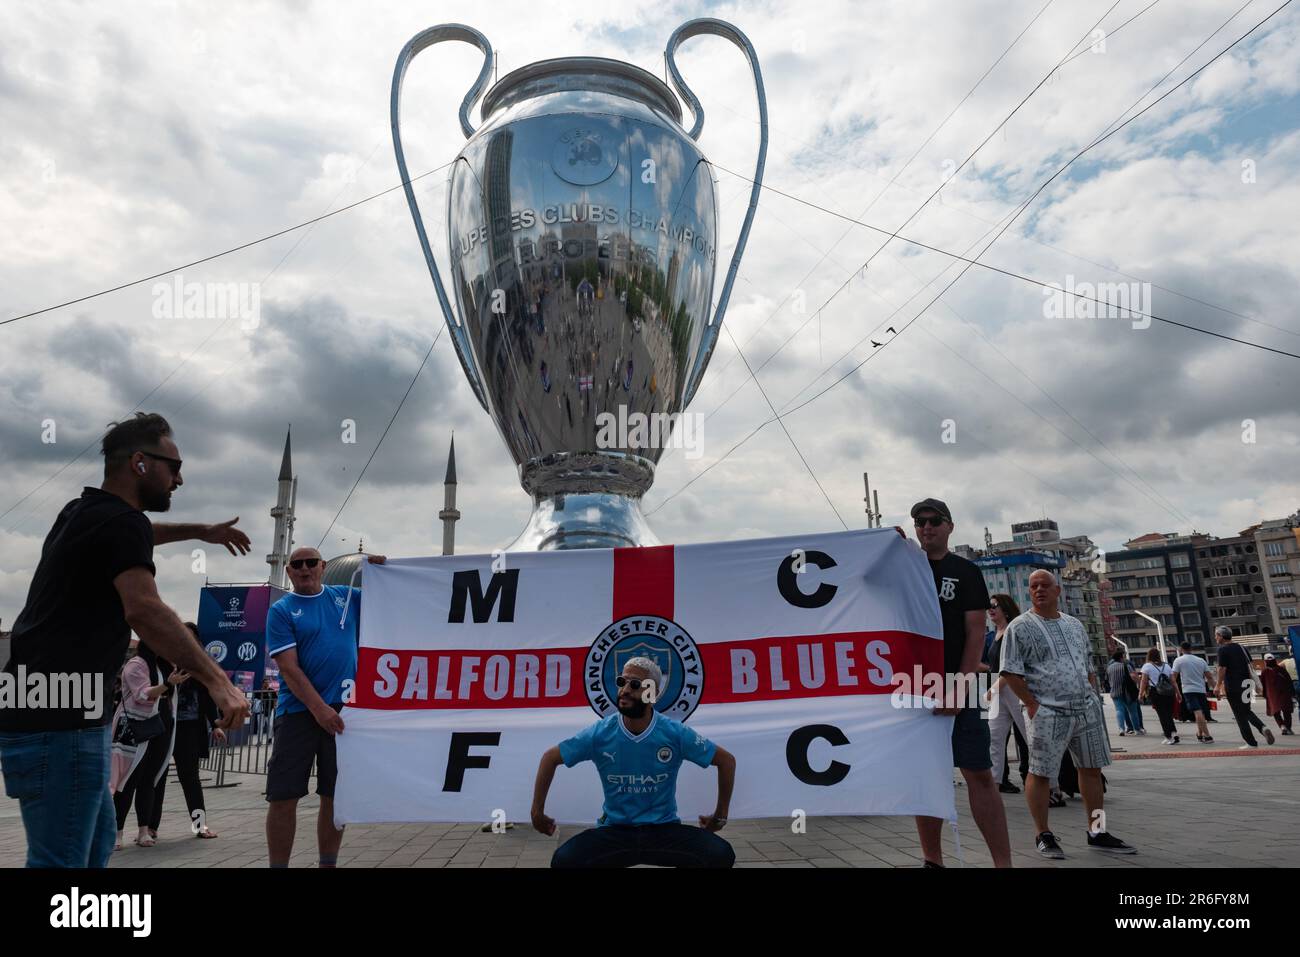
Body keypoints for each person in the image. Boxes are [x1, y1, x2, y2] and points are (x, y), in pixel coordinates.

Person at [0, 413, 250, 868]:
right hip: (60, 721)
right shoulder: (116, 524)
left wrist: (200, 531)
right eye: (173, 466)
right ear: (139, 463)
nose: (179, 478)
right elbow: (144, 609)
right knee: (63, 863)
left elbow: (137, 533)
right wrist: (218, 680)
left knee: (92, 851)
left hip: (54, 710)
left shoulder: (83, 513)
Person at [531, 657, 736, 868]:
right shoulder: (600, 733)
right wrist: (536, 812)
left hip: (663, 831)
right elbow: (550, 758)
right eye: (622, 682)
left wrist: (720, 816)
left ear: (652, 693)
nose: (625, 690)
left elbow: (726, 761)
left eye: (635, 684)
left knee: (720, 854)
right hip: (615, 832)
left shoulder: (674, 733)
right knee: (564, 861)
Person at [1000, 570, 1135, 858]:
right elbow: (1010, 671)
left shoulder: (1075, 625)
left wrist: (1091, 696)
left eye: (1045, 585)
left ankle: (1097, 830)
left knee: (1091, 769)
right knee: (1040, 771)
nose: (1039, 590)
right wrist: (1032, 705)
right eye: (1033, 586)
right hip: (1047, 710)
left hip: (1085, 708)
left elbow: (1087, 665)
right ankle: (1043, 834)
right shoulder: (1019, 627)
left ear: (1057, 590)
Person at [264, 546, 385, 868]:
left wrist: (381, 567)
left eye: (311, 563)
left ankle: (327, 864)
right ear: (288, 571)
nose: (304, 569)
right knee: (283, 796)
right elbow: (289, 668)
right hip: (298, 712)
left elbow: (390, 595)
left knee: (334, 796)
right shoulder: (282, 610)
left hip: (344, 711)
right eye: (297, 564)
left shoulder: (346, 597)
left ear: (323, 567)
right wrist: (319, 709)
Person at [909, 498, 1012, 868]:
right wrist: (885, 542)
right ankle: (932, 860)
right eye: (919, 522)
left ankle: (1003, 862)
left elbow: (975, 633)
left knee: (978, 772)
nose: (926, 527)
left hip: (961, 680)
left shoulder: (965, 571)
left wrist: (960, 686)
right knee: (927, 775)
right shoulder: (905, 567)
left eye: (934, 521)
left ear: (950, 526)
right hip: (916, 683)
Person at [985, 594, 1059, 799]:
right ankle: (994, 782)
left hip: (1015, 687)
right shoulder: (995, 634)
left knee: (1031, 738)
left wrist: (993, 688)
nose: (990, 610)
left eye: (993, 606)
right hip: (1000, 690)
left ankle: (1052, 787)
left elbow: (1011, 666)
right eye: (988, 607)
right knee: (993, 737)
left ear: (1005, 608)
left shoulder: (1013, 630)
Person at [110, 642, 179, 848]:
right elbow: (142, 694)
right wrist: (167, 684)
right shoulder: (136, 664)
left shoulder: (164, 665)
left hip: (160, 726)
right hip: (134, 727)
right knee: (127, 780)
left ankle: (144, 830)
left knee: (149, 779)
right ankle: (116, 832)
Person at [161, 622, 225, 839]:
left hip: (189, 727)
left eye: (188, 636)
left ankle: (199, 825)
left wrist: (215, 724)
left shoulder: (201, 663)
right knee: (155, 777)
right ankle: (148, 828)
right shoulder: (163, 658)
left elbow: (207, 696)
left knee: (190, 778)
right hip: (162, 725)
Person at [1214, 626, 1275, 749]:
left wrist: (1218, 685)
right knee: (1246, 710)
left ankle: (1251, 742)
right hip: (1247, 684)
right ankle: (1263, 727)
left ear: (1220, 636)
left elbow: (1222, 669)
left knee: (1239, 714)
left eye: (1216, 635)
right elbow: (1250, 665)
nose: (1215, 638)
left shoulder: (1223, 650)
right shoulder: (1242, 648)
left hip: (1233, 685)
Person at [1171, 641, 1214, 743]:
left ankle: (1207, 736)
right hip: (1201, 690)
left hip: (1188, 690)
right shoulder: (1201, 660)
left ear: (1181, 649)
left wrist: (1176, 691)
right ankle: (1199, 734)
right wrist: (1215, 689)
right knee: (1200, 712)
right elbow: (1209, 677)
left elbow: (1173, 677)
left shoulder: (1179, 660)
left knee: (1197, 712)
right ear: (1191, 649)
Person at [1138, 648, 1181, 745]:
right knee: (1168, 714)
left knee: (1162, 715)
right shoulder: (1166, 666)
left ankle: (1169, 737)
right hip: (1169, 692)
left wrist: (1140, 694)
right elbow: (1173, 681)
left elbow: (1144, 681)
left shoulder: (1147, 666)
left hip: (1156, 692)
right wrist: (1178, 693)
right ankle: (1173, 733)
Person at [1107, 649, 1144, 737]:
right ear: (1121, 657)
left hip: (1115, 692)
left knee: (1119, 710)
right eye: (1123, 656)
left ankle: (1121, 729)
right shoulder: (1126, 666)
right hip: (1128, 692)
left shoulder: (1109, 668)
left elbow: (1108, 680)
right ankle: (1137, 729)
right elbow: (1134, 676)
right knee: (1133, 711)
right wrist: (1139, 683)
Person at [1261, 654, 1295, 735]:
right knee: (1286, 711)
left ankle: (1282, 726)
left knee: (1275, 711)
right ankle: (1288, 728)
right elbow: (1289, 681)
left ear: (1265, 661)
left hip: (1272, 695)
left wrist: (1265, 695)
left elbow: (1263, 684)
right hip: (1284, 693)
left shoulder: (1264, 671)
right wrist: (1292, 693)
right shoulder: (1281, 669)